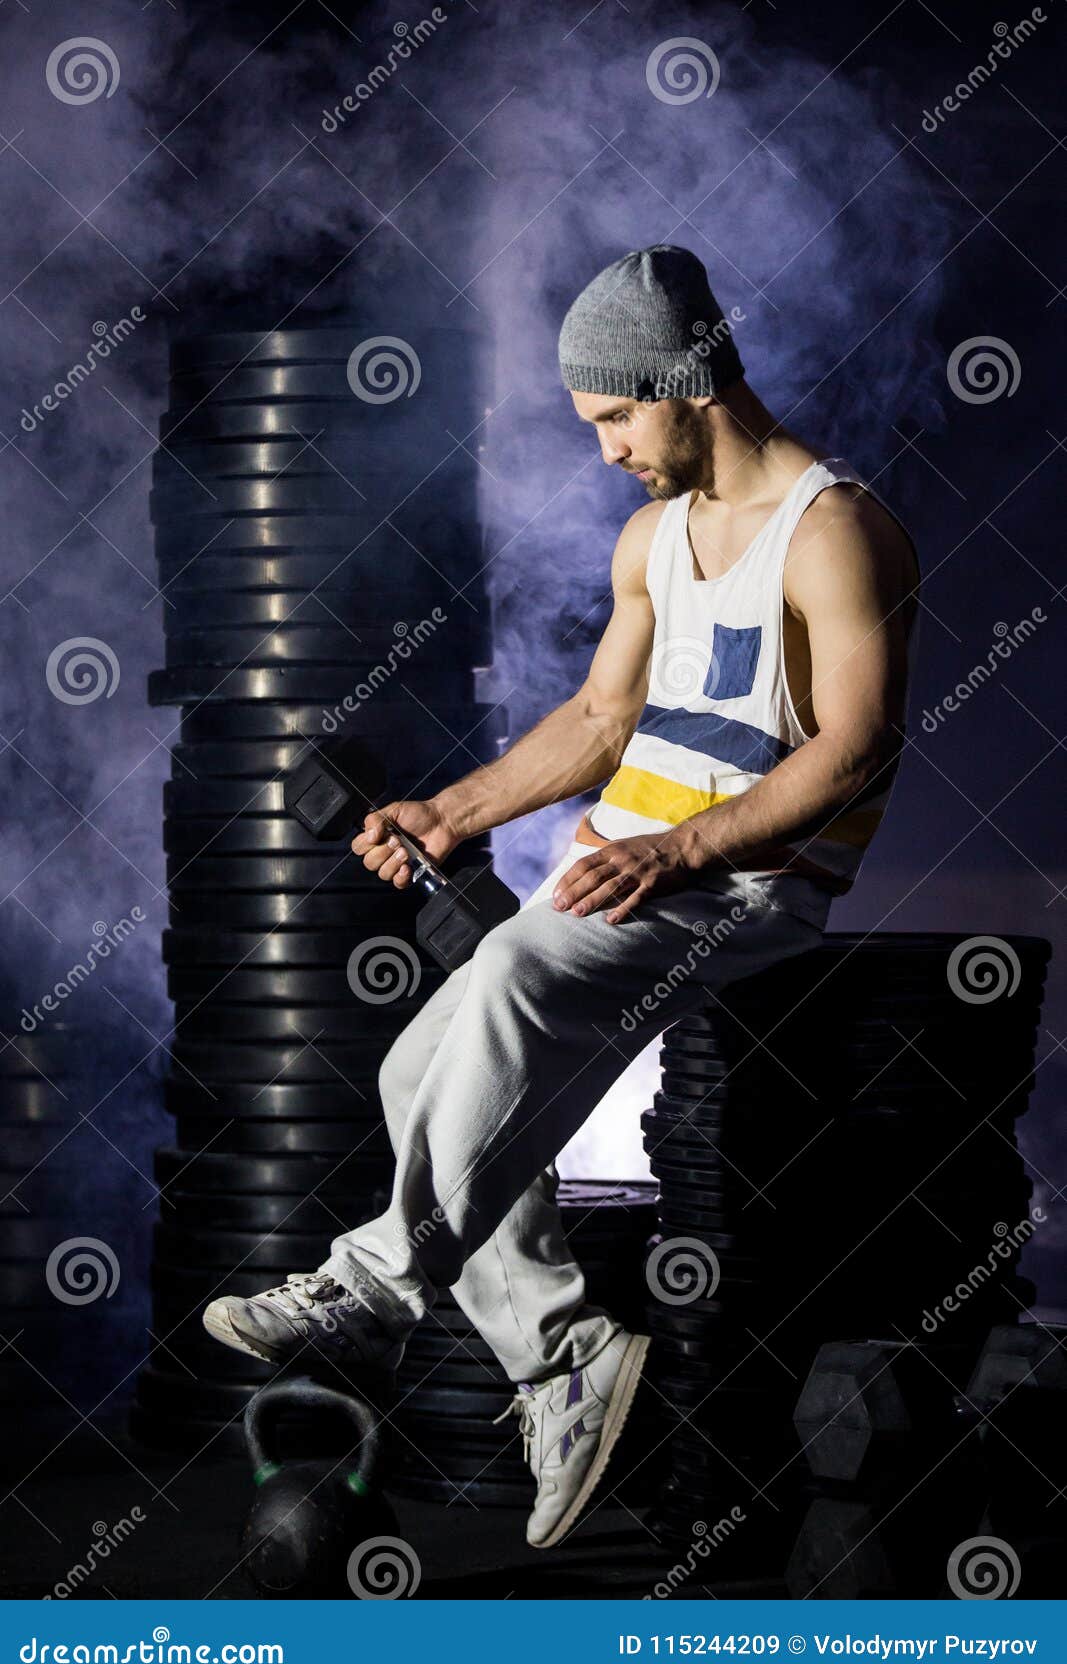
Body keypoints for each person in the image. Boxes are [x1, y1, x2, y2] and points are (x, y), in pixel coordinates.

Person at [204, 244, 921, 1549]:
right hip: (627, 874)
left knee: (514, 974)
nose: (606, 451)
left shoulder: (836, 531)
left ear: (687, 383)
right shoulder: (654, 537)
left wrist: (680, 852)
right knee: (418, 1069)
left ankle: (372, 1283)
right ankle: (565, 1360)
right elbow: (601, 718)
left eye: (615, 418)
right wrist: (451, 813)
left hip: (744, 887)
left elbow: (859, 746)